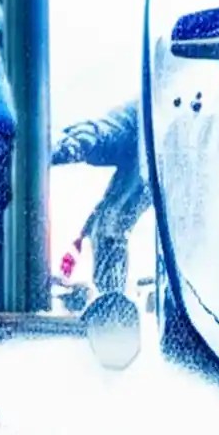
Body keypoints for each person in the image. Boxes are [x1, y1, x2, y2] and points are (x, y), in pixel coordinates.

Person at [50, 98, 152, 306]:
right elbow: (114, 127)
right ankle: (110, 299)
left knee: (111, 224)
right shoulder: (151, 107)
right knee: (110, 224)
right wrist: (78, 141)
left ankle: (112, 299)